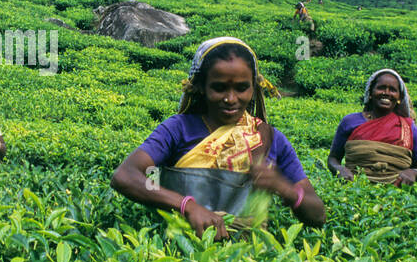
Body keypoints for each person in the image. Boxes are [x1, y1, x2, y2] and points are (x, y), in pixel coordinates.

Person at [111, 36, 325, 239]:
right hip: (182, 258)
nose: (231, 99)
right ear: (201, 87)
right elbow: (126, 175)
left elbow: (317, 216)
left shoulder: (270, 139)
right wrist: (187, 206)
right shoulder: (178, 130)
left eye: (242, 88)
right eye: (219, 87)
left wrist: (285, 189)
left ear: (254, 87)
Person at [327, 69, 417, 185]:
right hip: (354, 189)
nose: (386, 92)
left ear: (399, 97)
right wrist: (340, 170)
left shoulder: (409, 128)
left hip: (395, 194)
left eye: (393, 90)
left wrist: (413, 173)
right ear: (370, 93)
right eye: (381, 88)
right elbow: (333, 159)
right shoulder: (350, 122)